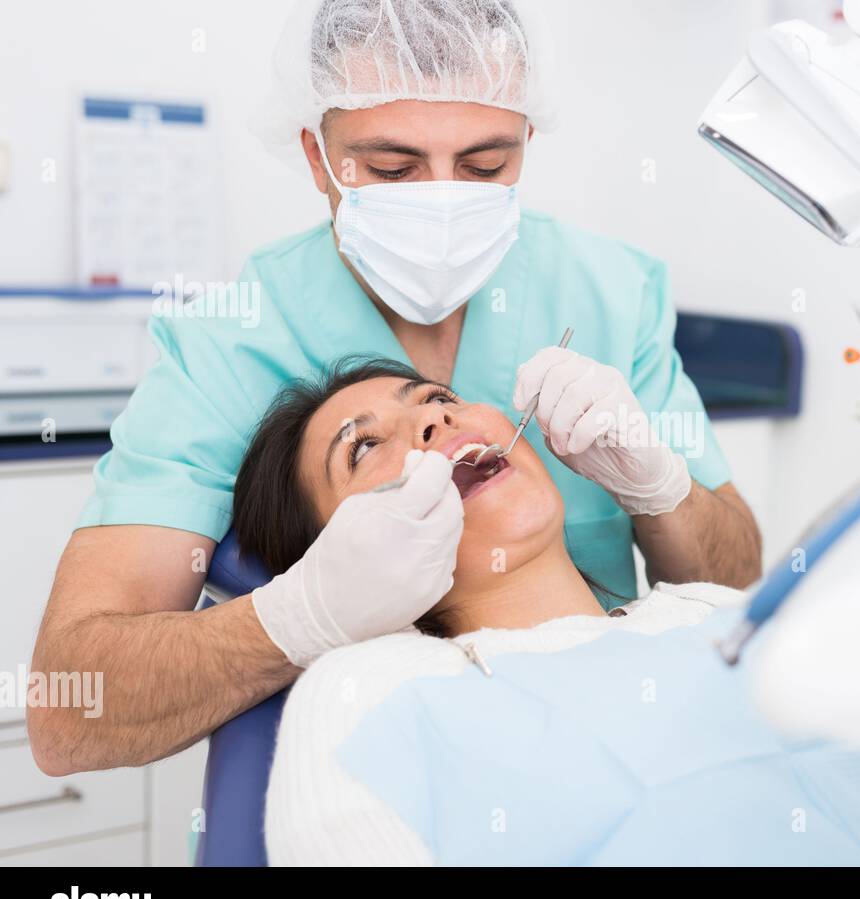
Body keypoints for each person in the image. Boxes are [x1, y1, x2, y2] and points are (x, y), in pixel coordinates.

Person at [28, 0, 761, 776]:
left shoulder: (607, 290)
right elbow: (70, 715)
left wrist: (663, 490)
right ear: (317, 157)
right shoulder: (233, 341)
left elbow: (734, 586)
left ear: (526, 143)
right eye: (391, 169)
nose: (443, 198)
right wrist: (301, 616)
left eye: (485, 166)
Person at [228, 358, 860, 865]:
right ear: (333, 555)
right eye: (364, 447)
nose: (434, 422)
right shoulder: (368, 689)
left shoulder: (712, 608)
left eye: (436, 398)